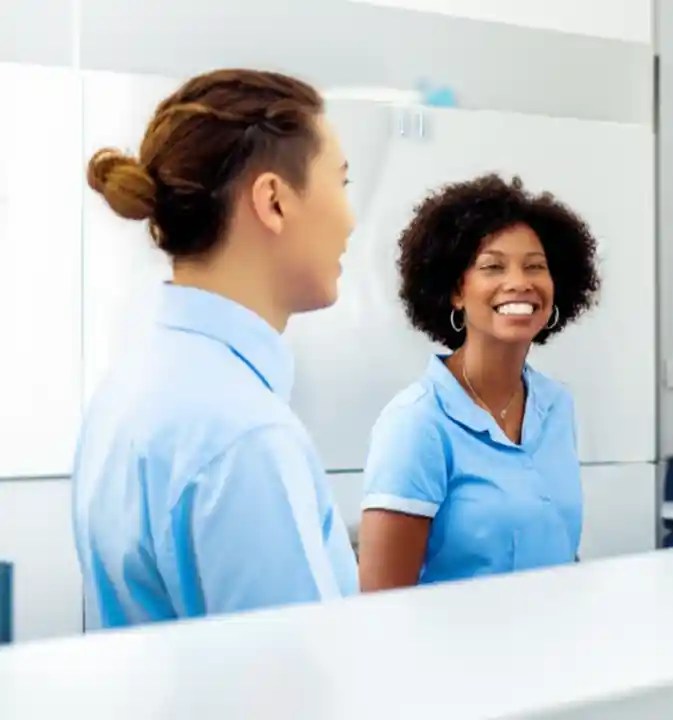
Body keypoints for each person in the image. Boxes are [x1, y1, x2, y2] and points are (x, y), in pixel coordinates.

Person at [72, 68, 359, 628]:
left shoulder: (130, 388)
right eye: (342, 184)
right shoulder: (245, 437)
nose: (350, 221)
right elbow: (298, 697)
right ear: (273, 201)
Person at [357, 174, 601, 590]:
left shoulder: (556, 405)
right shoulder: (417, 423)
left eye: (535, 266)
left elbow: (558, 549)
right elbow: (380, 605)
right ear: (455, 290)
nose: (519, 282)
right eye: (492, 266)